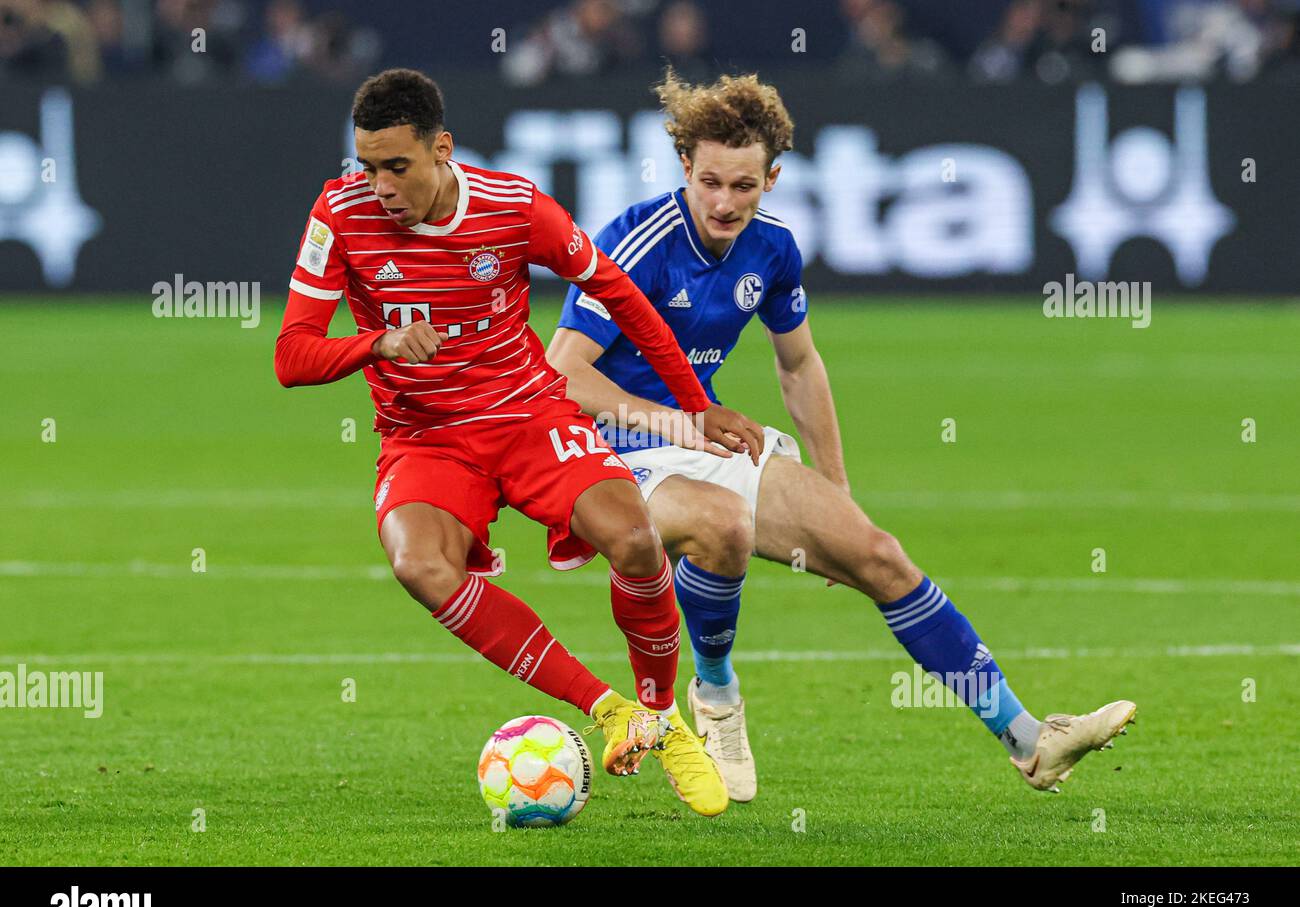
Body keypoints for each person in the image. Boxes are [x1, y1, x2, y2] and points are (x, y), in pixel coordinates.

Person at [546, 69, 1136, 801]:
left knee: (877, 553)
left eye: (744, 185)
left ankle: (1030, 740)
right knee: (723, 527)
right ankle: (718, 695)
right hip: (602, 449)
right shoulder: (638, 242)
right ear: (684, 170)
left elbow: (798, 365)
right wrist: (686, 421)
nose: (725, 202)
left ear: (773, 178)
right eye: (709, 182)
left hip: (706, 437)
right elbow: (564, 376)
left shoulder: (774, 248)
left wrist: (835, 486)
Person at [275, 68, 767, 816]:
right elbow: (292, 357)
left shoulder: (512, 208)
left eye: (396, 166)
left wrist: (694, 408)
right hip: (426, 438)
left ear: (442, 148)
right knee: (418, 564)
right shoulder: (339, 216)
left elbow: (622, 298)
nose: (378, 185)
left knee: (634, 542)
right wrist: (375, 344)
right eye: (367, 166)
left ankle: (662, 717)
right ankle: (608, 710)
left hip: (527, 416)